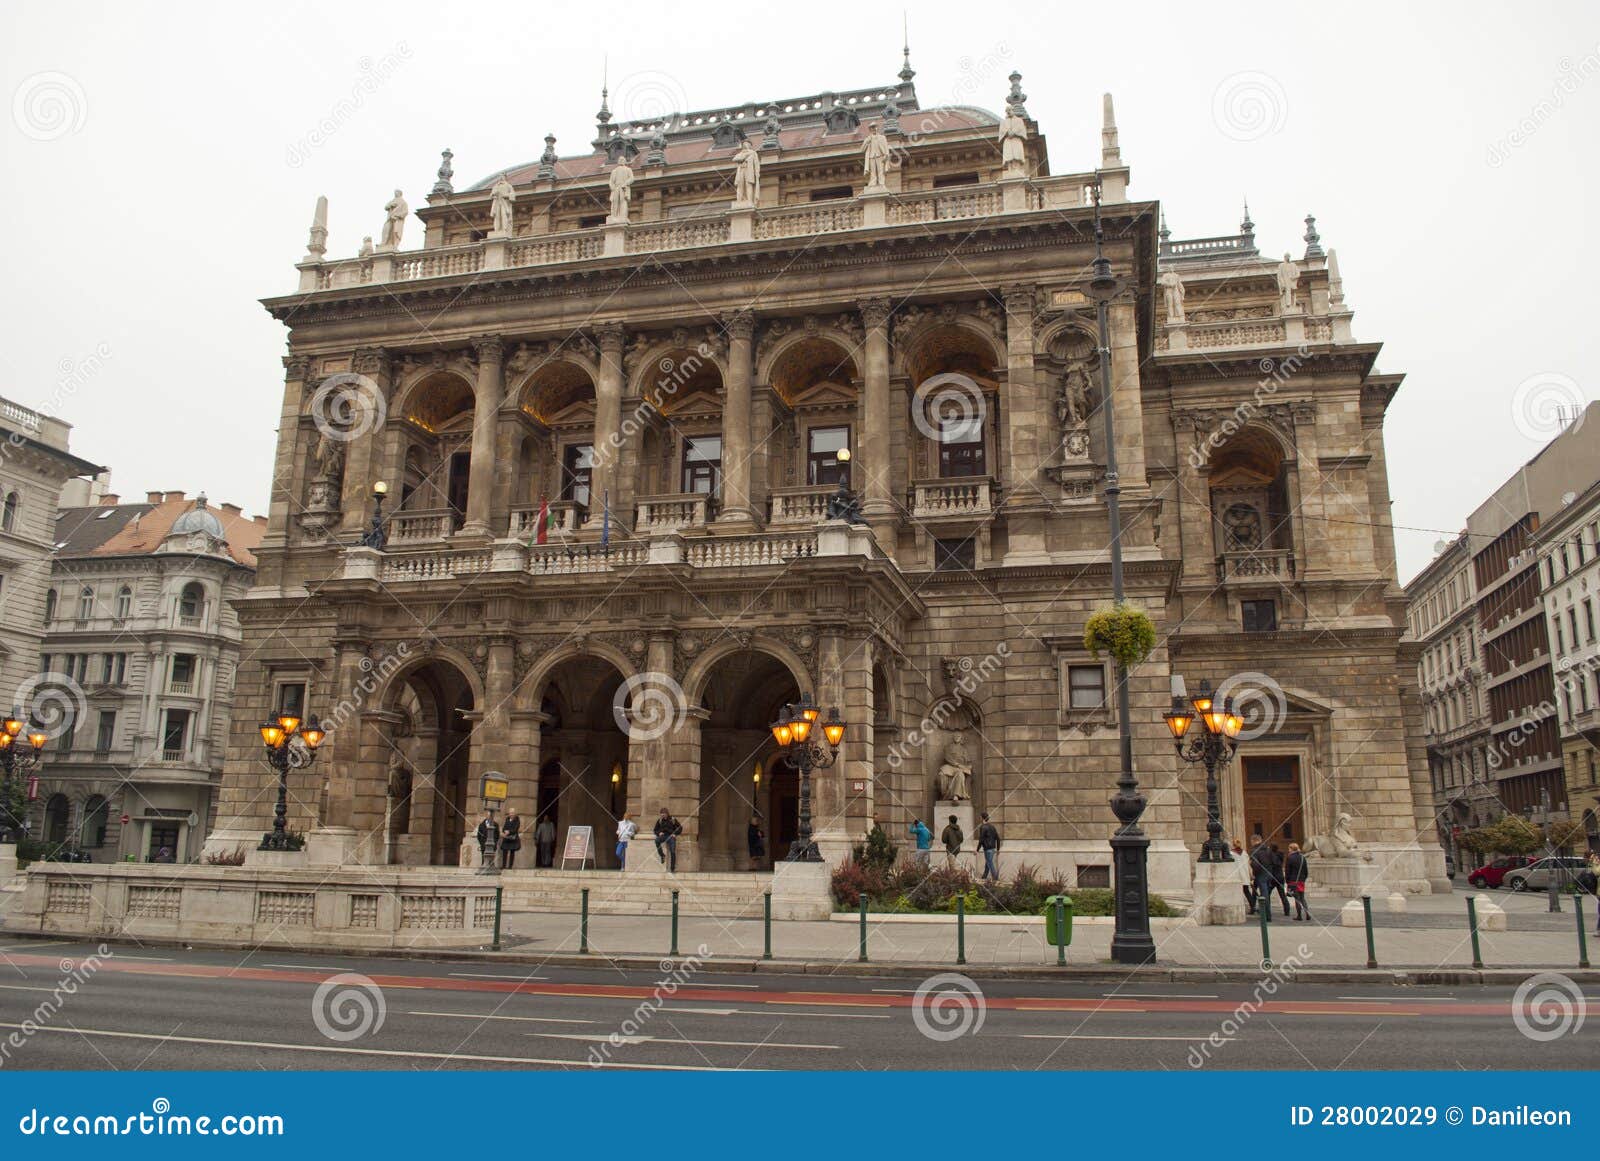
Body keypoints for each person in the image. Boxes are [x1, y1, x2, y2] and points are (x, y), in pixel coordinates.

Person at [1249, 836, 1275, 924]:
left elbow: (1255, 864)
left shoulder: (1254, 850)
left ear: (1254, 841)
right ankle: (1267, 913)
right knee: (1266, 894)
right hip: (1269, 873)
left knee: (1264, 895)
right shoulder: (1268, 849)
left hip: (1261, 874)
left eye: (1251, 841)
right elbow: (1273, 861)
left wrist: (1254, 873)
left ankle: (1267, 916)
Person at [1283, 842, 1312, 921]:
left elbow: (1287, 871)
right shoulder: (1303, 857)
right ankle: (1307, 914)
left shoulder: (1290, 858)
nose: (1288, 850)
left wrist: (1287, 881)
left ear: (1291, 849)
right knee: (1302, 898)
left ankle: (1299, 916)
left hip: (1293, 881)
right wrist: (1303, 879)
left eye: (1289, 849)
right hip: (1301, 880)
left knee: (1297, 899)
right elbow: (1306, 870)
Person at [654, 808, 683, 872]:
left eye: (663, 814)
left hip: (671, 836)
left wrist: (675, 834)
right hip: (663, 836)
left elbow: (680, 828)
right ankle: (662, 855)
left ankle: (672, 868)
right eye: (661, 814)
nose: (662, 815)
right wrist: (659, 833)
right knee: (656, 840)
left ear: (667, 813)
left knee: (672, 851)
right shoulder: (660, 820)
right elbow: (655, 830)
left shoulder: (672, 819)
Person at [976, 812, 1001, 882]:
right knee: (988, 862)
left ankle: (995, 878)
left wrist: (977, 850)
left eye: (980, 817)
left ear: (982, 818)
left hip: (987, 849)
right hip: (993, 849)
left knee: (989, 862)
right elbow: (998, 838)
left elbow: (981, 839)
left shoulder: (983, 827)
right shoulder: (992, 827)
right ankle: (984, 877)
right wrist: (998, 849)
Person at [1233, 839, 1257, 914]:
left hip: (1236, 876)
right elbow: (1248, 865)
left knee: (1237, 892)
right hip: (1245, 875)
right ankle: (1253, 907)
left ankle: (1238, 908)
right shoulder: (1245, 853)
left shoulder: (1231, 854)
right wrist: (1250, 874)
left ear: (1233, 845)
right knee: (1246, 891)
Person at [1268, 843, 1291, 917]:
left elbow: (1272, 863)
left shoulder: (1271, 855)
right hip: (1280, 877)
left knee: (1267, 894)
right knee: (1282, 895)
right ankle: (1287, 911)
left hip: (1273, 877)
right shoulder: (1281, 854)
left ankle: (1267, 910)